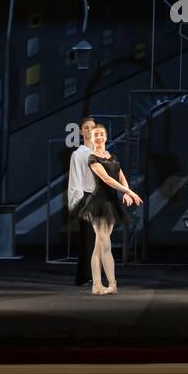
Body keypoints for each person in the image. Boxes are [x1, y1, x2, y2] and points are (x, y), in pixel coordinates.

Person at [81, 124, 143, 295]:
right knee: (105, 244)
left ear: (106, 137)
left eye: (102, 134)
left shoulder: (112, 156)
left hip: (111, 203)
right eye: (96, 135)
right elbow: (107, 179)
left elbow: (120, 175)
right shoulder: (92, 158)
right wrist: (130, 192)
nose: (99, 137)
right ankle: (112, 284)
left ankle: (97, 285)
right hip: (98, 204)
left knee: (99, 246)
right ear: (91, 139)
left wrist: (126, 192)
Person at [67, 116, 98, 286]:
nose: (89, 130)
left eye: (92, 127)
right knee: (88, 240)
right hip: (87, 198)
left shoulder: (101, 152)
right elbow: (75, 182)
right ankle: (84, 276)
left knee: (100, 240)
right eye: (86, 127)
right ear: (80, 131)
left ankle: (96, 275)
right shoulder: (78, 155)